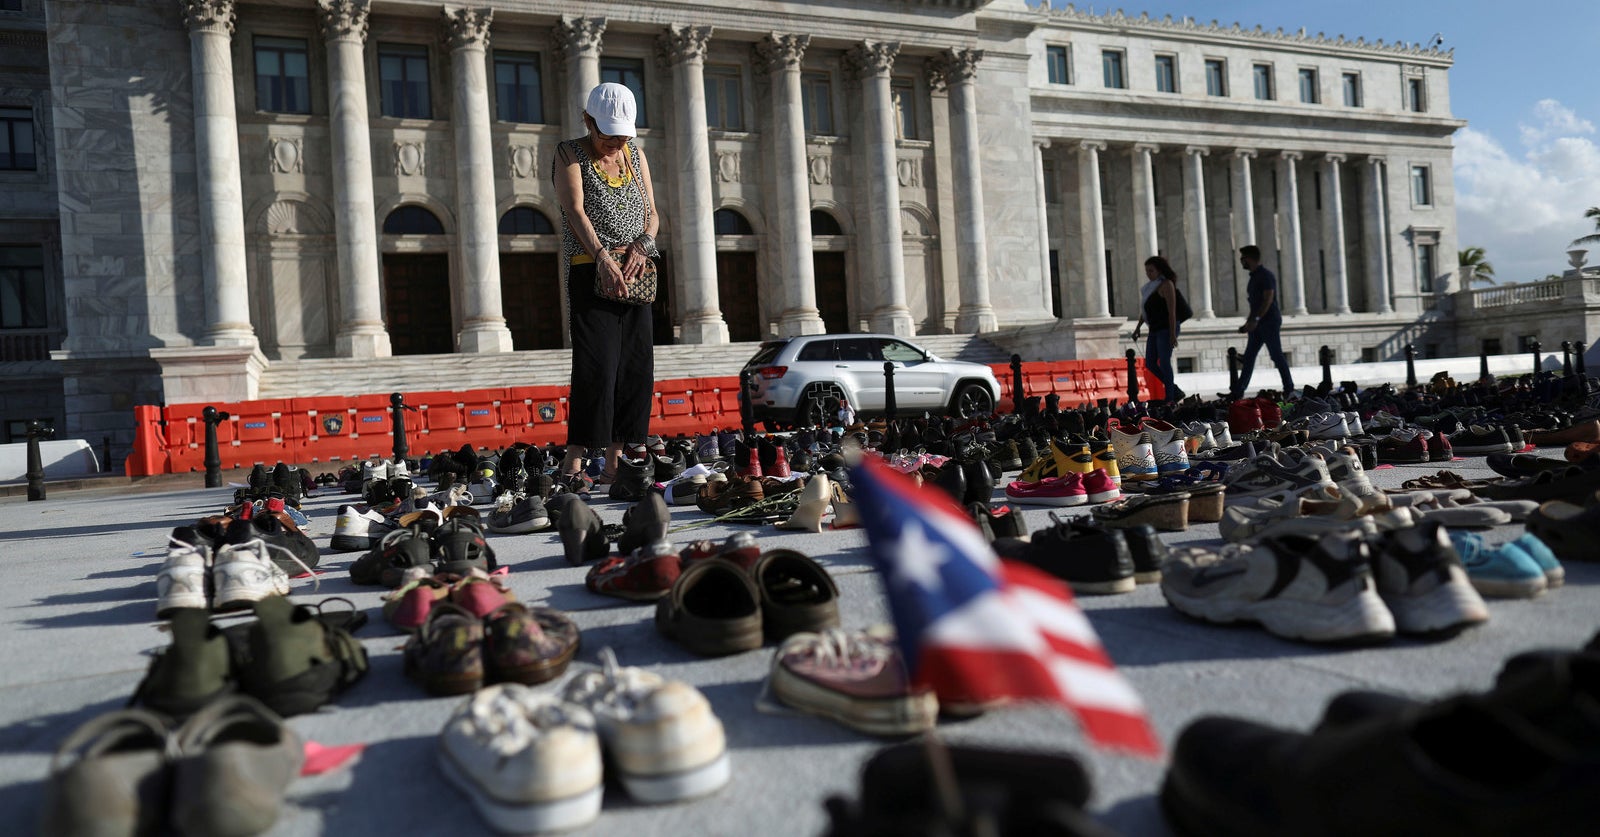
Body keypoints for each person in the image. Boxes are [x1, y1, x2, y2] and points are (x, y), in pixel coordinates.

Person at [551, 82, 661, 482]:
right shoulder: (569, 152)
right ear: (588, 121)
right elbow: (576, 210)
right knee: (596, 366)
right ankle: (576, 460)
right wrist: (602, 257)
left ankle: (617, 460)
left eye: (621, 136)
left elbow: (652, 215)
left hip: (636, 272)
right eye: (607, 135)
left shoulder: (634, 154)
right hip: (590, 269)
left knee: (635, 368)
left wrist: (641, 247)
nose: (614, 143)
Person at [1231, 244, 1295, 399]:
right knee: (1249, 358)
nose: (1241, 261)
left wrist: (1256, 319)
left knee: (1276, 355)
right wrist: (1249, 323)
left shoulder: (1265, 275)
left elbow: (1268, 299)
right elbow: (1255, 304)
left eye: (1243, 258)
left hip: (1269, 321)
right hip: (1257, 323)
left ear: (1250, 259)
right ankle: (1237, 392)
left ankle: (1289, 389)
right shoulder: (1254, 277)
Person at [1132, 255, 1185, 403]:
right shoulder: (1150, 288)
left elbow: (1172, 311)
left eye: (1151, 271)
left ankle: (1170, 397)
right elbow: (1146, 311)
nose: (1148, 274)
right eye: (1147, 271)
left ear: (1159, 271)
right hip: (1154, 329)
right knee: (1150, 362)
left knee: (1164, 361)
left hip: (1166, 329)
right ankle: (1173, 389)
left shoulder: (1166, 285)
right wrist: (1137, 328)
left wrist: (1173, 334)